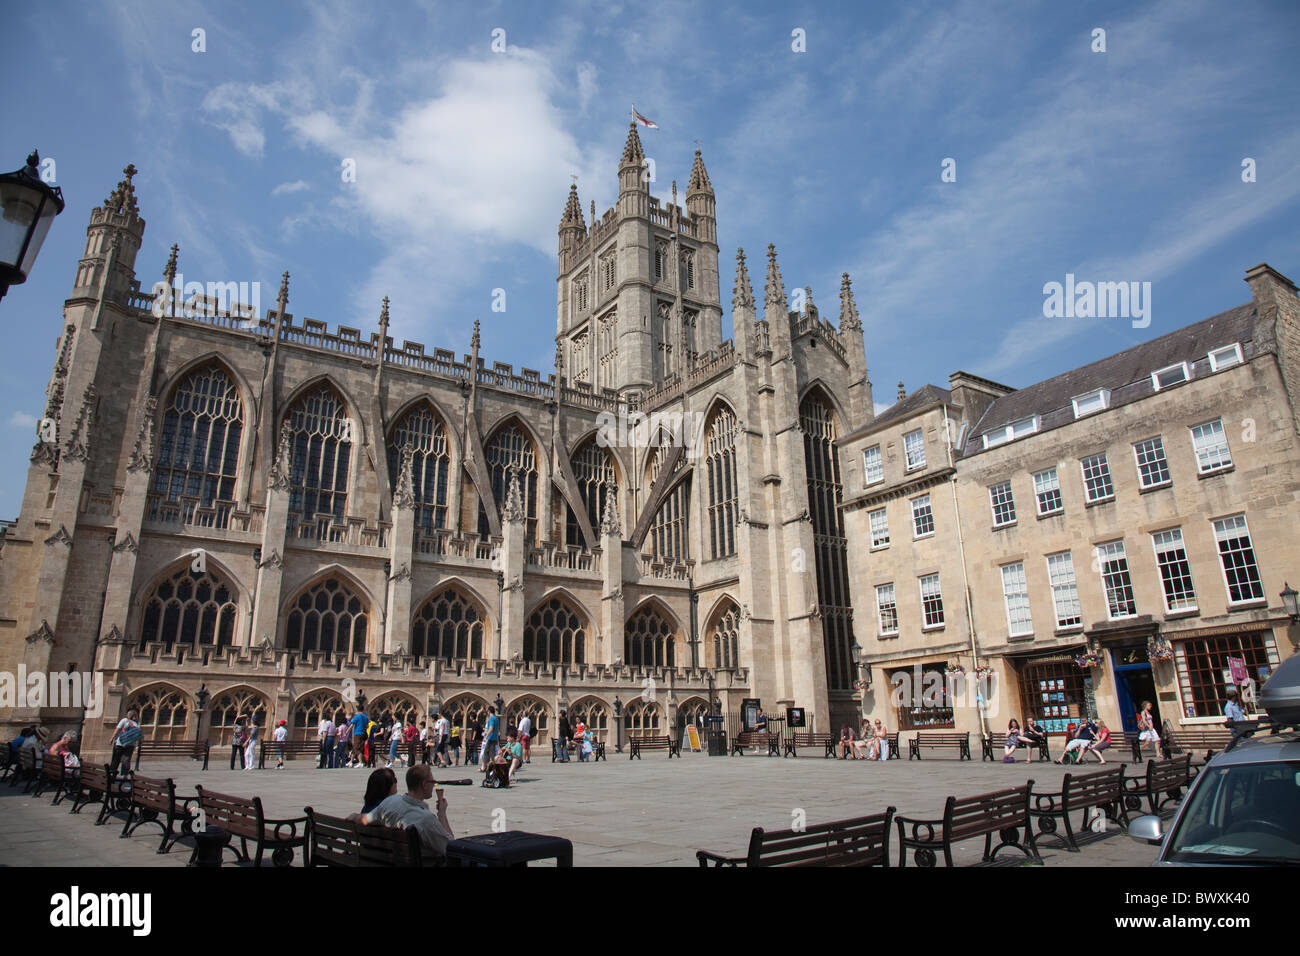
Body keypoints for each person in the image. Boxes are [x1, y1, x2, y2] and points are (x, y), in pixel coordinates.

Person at [368, 765, 454, 863]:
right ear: (424, 784)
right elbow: (453, 848)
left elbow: (365, 819)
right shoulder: (426, 820)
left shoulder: (390, 801)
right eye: (432, 782)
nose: (433, 785)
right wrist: (442, 814)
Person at [110, 711, 142, 776]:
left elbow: (117, 729)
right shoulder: (136, 724)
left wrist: (112, 738)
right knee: (126, 760)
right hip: (130, 745)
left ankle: (112, 774)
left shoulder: (124, 720)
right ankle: (124, 776)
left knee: (116, 759)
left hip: (120, 743)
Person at [479, 706, 501, 770]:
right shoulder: (497, 719)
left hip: (491, 738)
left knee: (486, 752)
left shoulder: (491, 718)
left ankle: (486, 767)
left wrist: (486, 736)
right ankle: (493, 766)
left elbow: (491, 728)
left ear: (489, 711)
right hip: (495, 738)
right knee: (492, 753)